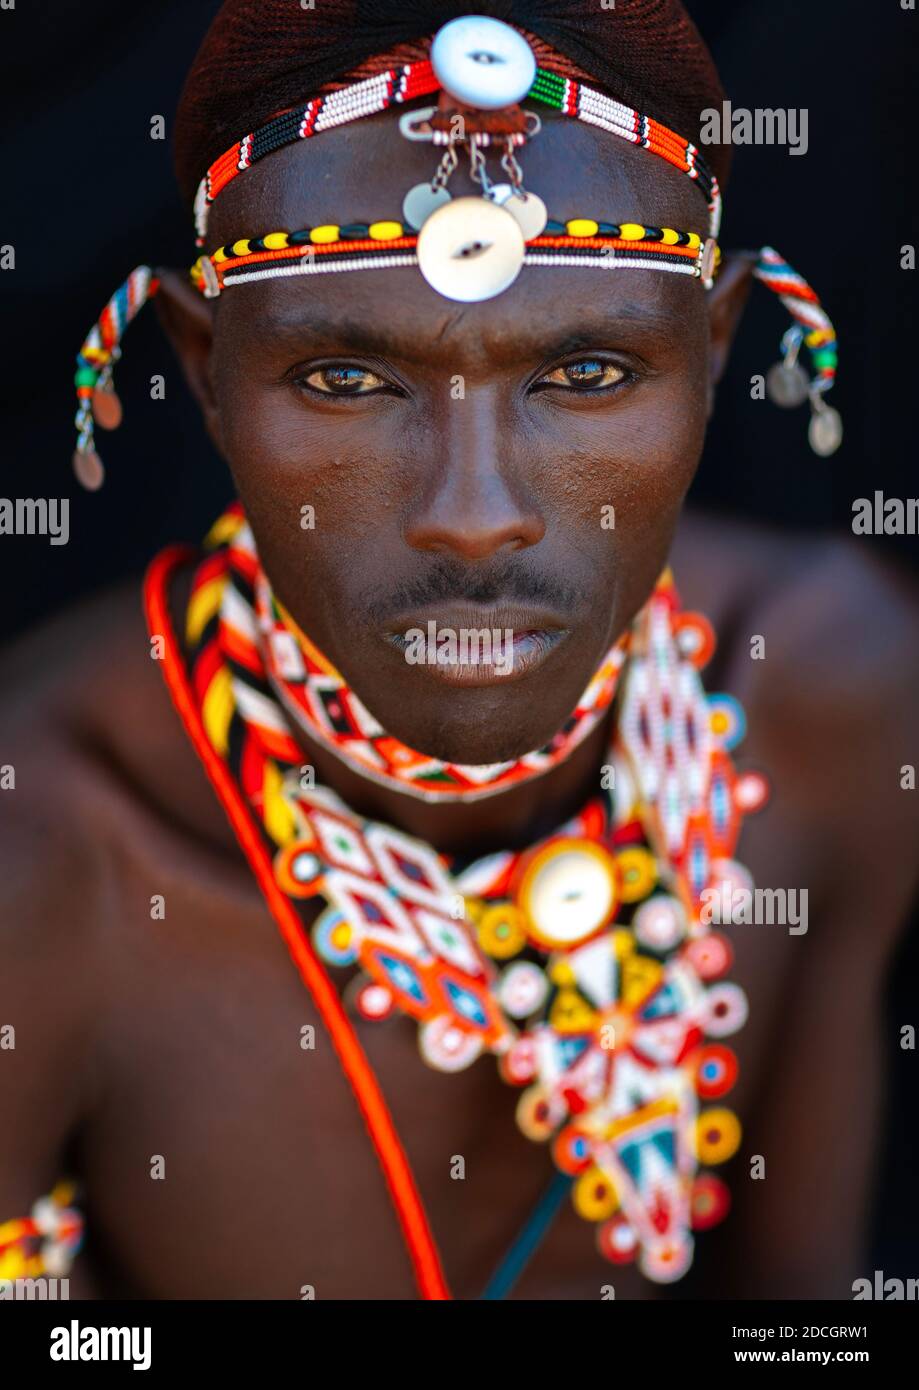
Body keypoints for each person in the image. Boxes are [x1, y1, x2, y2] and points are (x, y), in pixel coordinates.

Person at [1, 1, 917, 1301]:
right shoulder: (45, 866)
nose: (474, 516)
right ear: (206, 374)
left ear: (712, 354)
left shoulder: (838, 693)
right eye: (346, 379)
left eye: (589, 373)